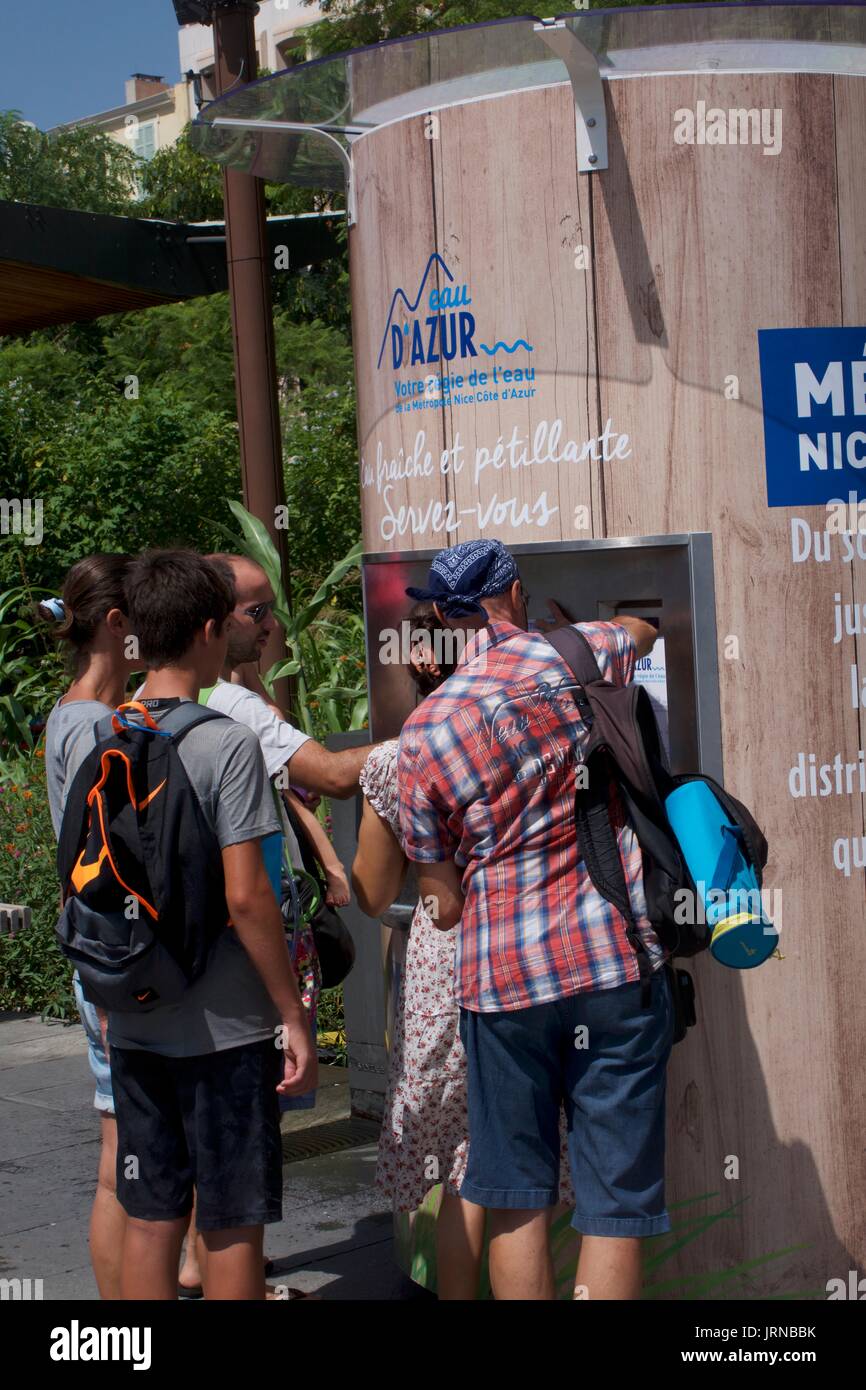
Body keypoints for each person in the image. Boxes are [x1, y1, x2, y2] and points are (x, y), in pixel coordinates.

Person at [397, 539, 670, 1302]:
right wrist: (604, 629)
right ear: (514, 592)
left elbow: (442, 899)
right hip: (613, 962)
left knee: (514, 1195)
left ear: (447, 618)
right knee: (614, 1205)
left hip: (502, 988)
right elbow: (643, 629)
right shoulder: (578, 655)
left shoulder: (426, 729)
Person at [95, 549, 316, 1300]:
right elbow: (249, 898)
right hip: (224, 1026)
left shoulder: (107, 736)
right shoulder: (225, 743)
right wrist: (292, 1013)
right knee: (230, 1219)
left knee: (151, 1213)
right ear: (209, 631)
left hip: (133, 1017)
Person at [352, 603, 574, 1301]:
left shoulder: (396, 759)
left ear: (420, 662)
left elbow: (373, 889)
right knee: (506, 1150)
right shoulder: (533, 732)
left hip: (442, 958)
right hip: (528, 945)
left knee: (463, 1162)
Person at [42, 554, 137, 1300]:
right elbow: (101, 860)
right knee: (123, 1152)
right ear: (115, 624)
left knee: (126, 1145)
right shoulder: (96, 726)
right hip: (115, 957)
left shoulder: (69, 715)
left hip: (98, 954)